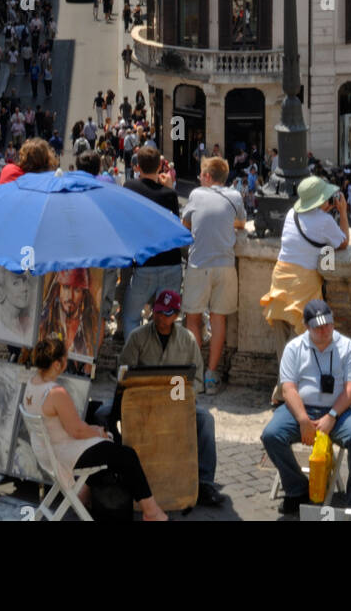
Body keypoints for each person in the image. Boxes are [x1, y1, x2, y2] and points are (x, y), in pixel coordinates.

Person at [23, 337, 167, 521]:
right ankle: (151, 512)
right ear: (58, 363)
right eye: (65, 359)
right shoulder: (55, 393)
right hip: (62, 453)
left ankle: (81, 495)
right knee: (126, 455)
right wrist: (99, 433)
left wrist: (96, 432)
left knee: (105, 448)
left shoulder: (32, 383)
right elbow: (77, 432)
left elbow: (73, 429)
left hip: (47, 451)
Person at [103, 290, 223, 507]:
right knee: (102, 413)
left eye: (167, 314)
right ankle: (115, 473)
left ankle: (205, 482)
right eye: (158, 312)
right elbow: (123, 375)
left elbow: (196, 379)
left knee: (206, 420)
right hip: (141, 403)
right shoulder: (138, 337)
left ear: (176, 314)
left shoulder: (187, 339)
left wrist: (178, 399)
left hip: (176, 403)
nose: (160, 318)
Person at [261, 300, 351, 515]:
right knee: (271, 436)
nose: (324, 330)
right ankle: (297, 489)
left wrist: (331, 415)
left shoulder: (348, 347)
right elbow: (288, 390)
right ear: (306, 326)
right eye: (318, 327)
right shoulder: (294, 348)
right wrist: (303, 420)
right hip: (300, 409)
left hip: (337, 411)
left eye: (328, 325)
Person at [261, 176, 349, 367]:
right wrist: (342, 213)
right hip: (303, 284)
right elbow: (343, 242)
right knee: (298, 344)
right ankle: (286, 391)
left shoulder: (292, 213)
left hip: (280, 278)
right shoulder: (325, 220)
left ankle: (282, 391)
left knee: (282, 344)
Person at [182, 156, 246, 394]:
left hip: (199, 264)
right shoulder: (235, 196)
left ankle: (196, 375)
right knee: (219, 320)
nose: (200, 178)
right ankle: (211, 375)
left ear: (207, 177)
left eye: (201, 174)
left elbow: (185, 223)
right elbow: (241, 223)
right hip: (225, 264)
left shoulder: (197, 194)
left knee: (193, 319)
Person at [122, 145, 186, 336]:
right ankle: (161, 360)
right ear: (160, 167)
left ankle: (134, 360)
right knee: (165, 320)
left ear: (137, 167)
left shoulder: (130, 188)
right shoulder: (169, 194)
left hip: (145, 264)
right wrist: (168, 187)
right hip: (171, 264)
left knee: (130, 316)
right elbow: (174, 224)